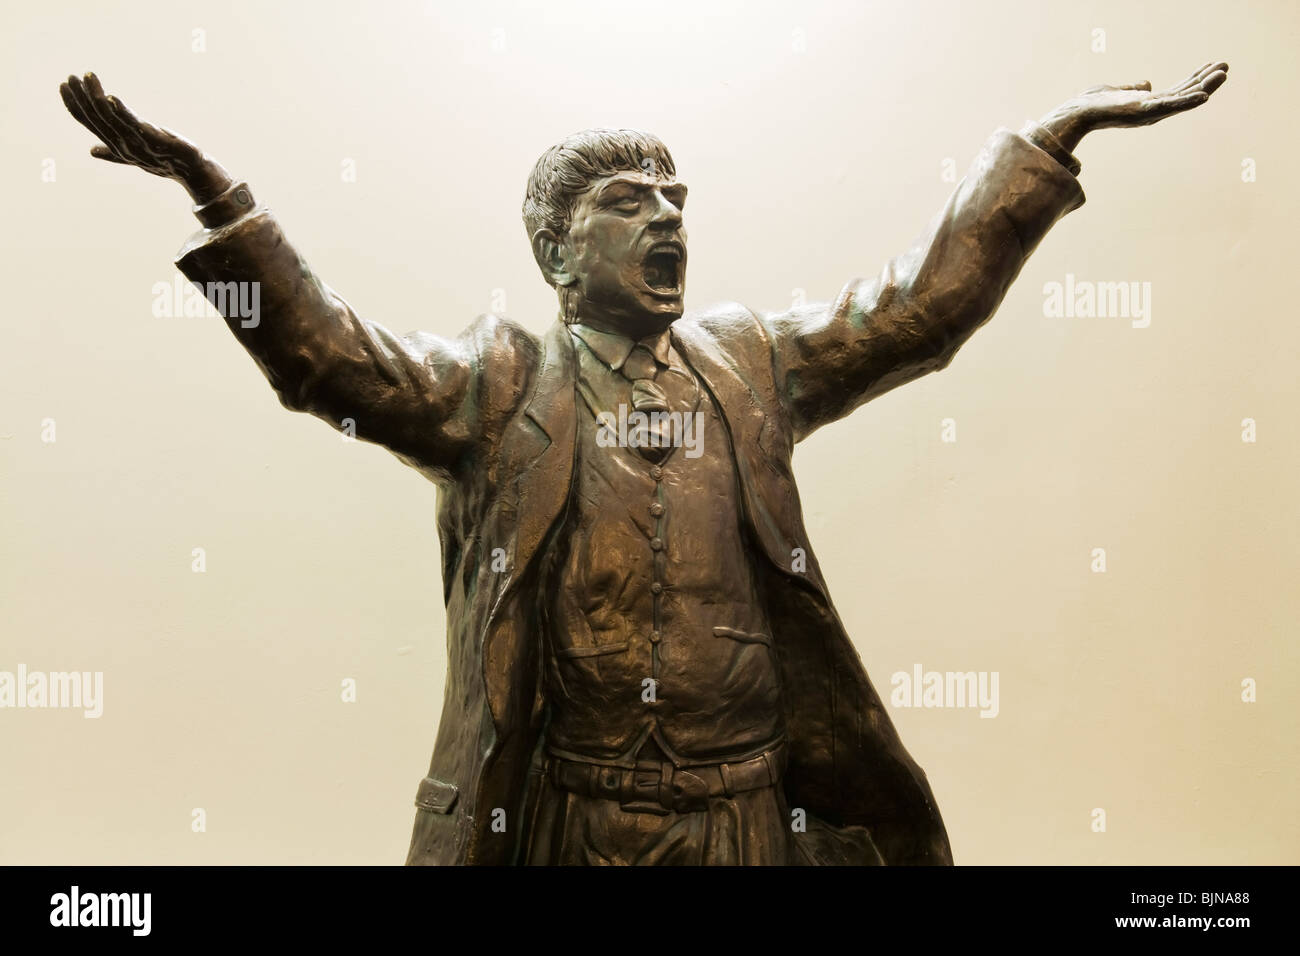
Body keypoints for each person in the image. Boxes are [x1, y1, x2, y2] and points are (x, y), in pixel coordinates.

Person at [59, 61, 1228, 865]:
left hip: (743, 815)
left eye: (677, 198)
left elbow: (921, 312)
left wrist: (1044, 145)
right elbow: (329, 362)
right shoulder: (499, 381)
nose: (668, 216)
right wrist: (222, 202)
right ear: (557, 254)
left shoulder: (752, 362)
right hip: (567, 815)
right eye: (630, 203)